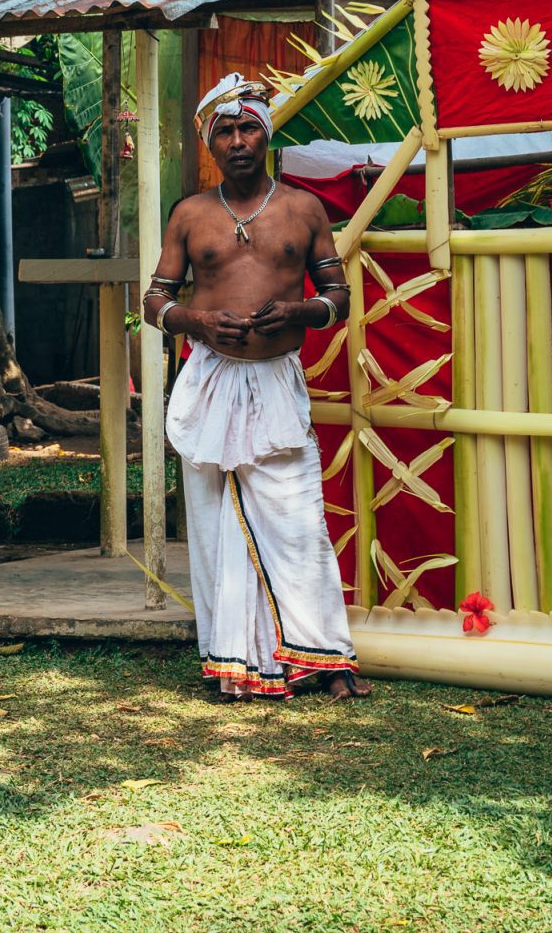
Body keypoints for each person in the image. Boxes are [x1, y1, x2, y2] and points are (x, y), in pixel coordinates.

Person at [142, 73, 370, 701]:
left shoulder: (304, 209)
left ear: (266, 135)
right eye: (225, 130)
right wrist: (195, 321)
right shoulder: (190, 213)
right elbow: (154, 300)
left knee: (297, 519)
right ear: (209, 143)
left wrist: (300, 313)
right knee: (216, 523)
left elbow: (338, 298)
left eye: (249, 128)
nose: (238, 140)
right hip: (209, 380)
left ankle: (328, 658)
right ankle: (235, 662)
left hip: (276, 380)